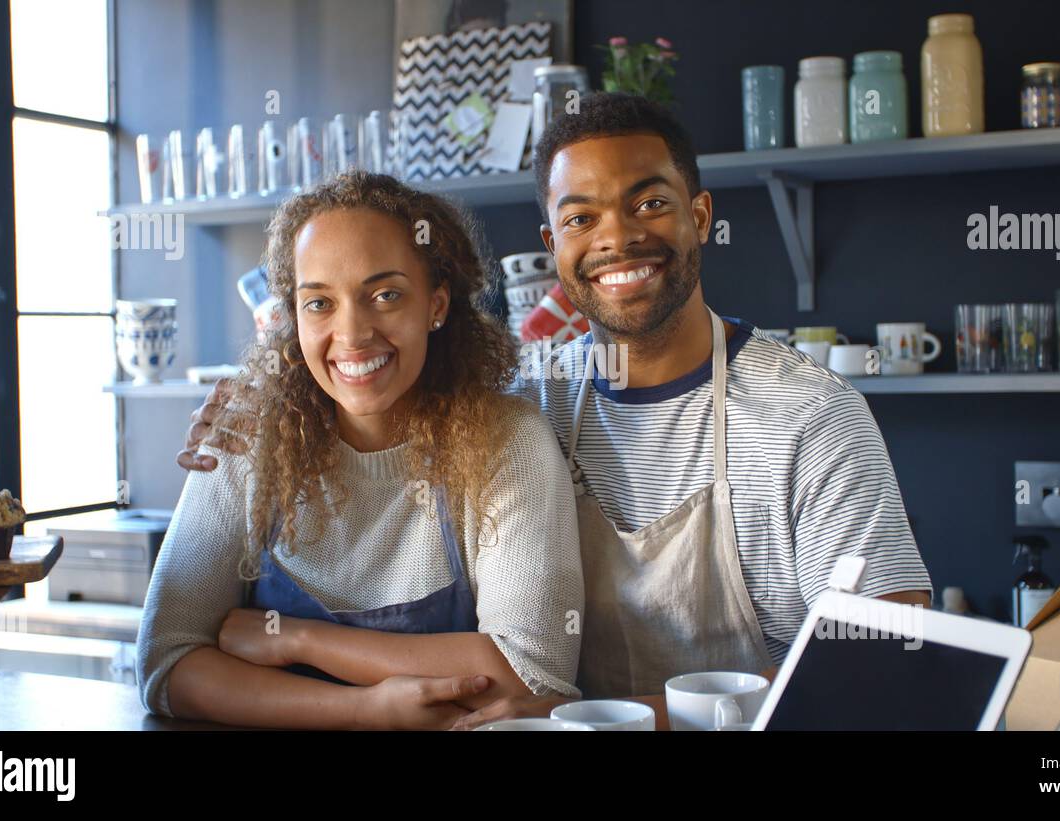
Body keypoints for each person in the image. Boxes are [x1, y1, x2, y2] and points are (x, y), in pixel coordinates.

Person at [180, 93, 932, 730]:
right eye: (581, 218)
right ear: (552, 244)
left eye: (650, 202)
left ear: (700, 215)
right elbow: (398, 387)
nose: (617, 236)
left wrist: (617, 721)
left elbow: (878, 664)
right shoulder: (534, 397)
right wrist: (268, 396)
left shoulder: (811, 418)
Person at [139, 171, 583, 730]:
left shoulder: (508, 441)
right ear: (293, 319)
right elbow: (167, 663)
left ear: (437, 305)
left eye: (386, 295)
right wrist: (365, 710)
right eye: (319, 303)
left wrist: (297, 640)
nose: (352, 334)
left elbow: (531, 678)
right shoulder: (246, 436)